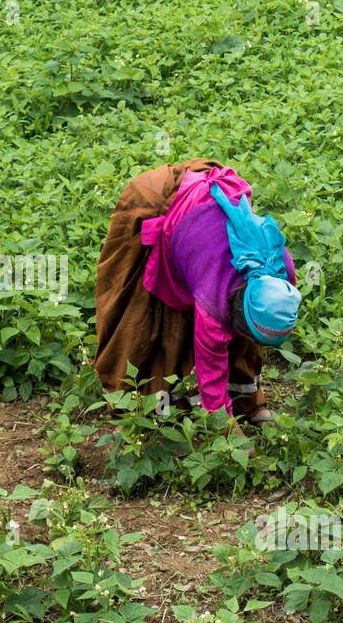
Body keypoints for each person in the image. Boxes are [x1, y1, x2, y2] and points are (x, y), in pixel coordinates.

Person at [94, 159, 301, 428]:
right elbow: (211, 371)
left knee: (245, 339)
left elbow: (260, 321)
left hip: (205, 220)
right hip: (158, 202)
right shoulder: (214, 297)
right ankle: (147, 412)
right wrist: (228, 434)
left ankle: (245, 402)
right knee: (148, 325)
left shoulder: (280, 276)